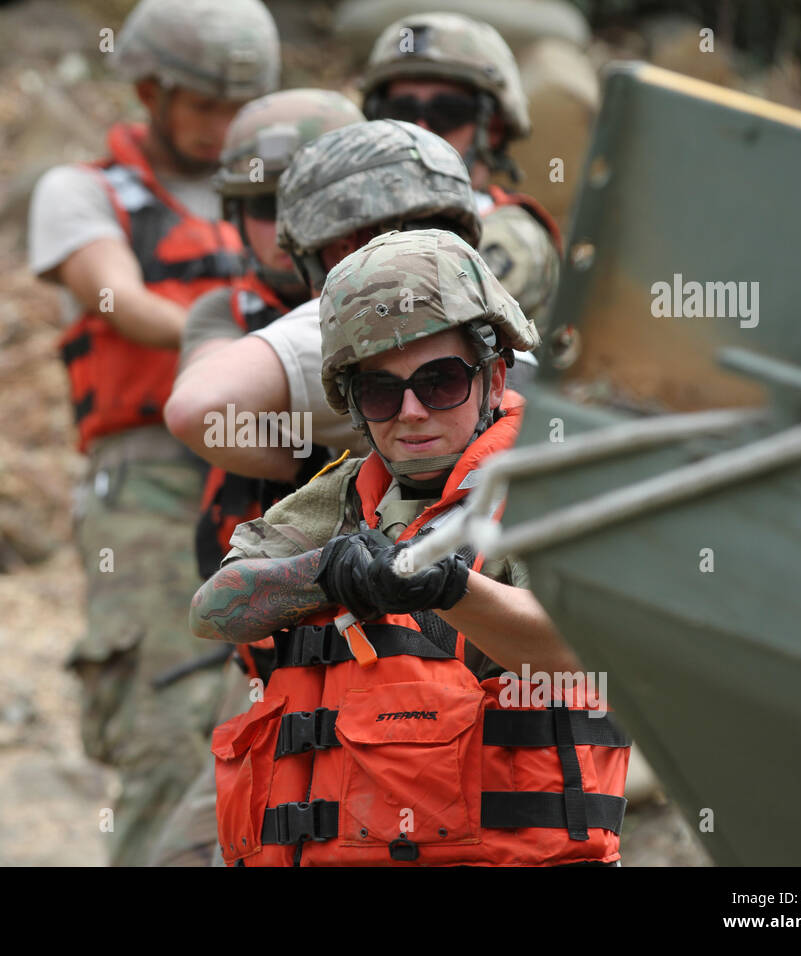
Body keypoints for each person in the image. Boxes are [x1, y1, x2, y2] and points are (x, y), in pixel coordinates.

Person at [190, 229, 631, 866]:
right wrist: (326, 572)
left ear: (493, 375)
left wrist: (448, 587)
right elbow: (214, 611)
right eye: (380, 391)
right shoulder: (342, 496)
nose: (413, 411)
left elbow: (587, 649)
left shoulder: (553, 487)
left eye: (441, 381)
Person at [26, 0, 279, 867]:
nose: (220, 128)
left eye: (235, 108)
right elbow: (125, 306)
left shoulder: (277, 188)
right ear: (150, 90)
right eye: (203, 105)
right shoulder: (84, 192)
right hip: (151, 484)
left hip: (272, 473)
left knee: (282, 735)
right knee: (169, 737)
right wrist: (259, 341)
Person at [146, 88, 366, 867]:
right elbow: (208, 411)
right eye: (263, 206)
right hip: (272, 656)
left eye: (299, 203)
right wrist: (318, 451)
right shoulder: (225, 313)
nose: (285, 228)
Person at [166, 118, 483, 483]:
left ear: (344, 245)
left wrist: (321, 480)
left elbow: (193, 410)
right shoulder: (494, 314)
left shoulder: (357, 313)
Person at [361, 11, 561, 321]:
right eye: (400, 110)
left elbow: (405, 321)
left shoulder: (511, 237)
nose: (421, 126)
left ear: (492, 128)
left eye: (448, 111)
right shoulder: (360, 217)